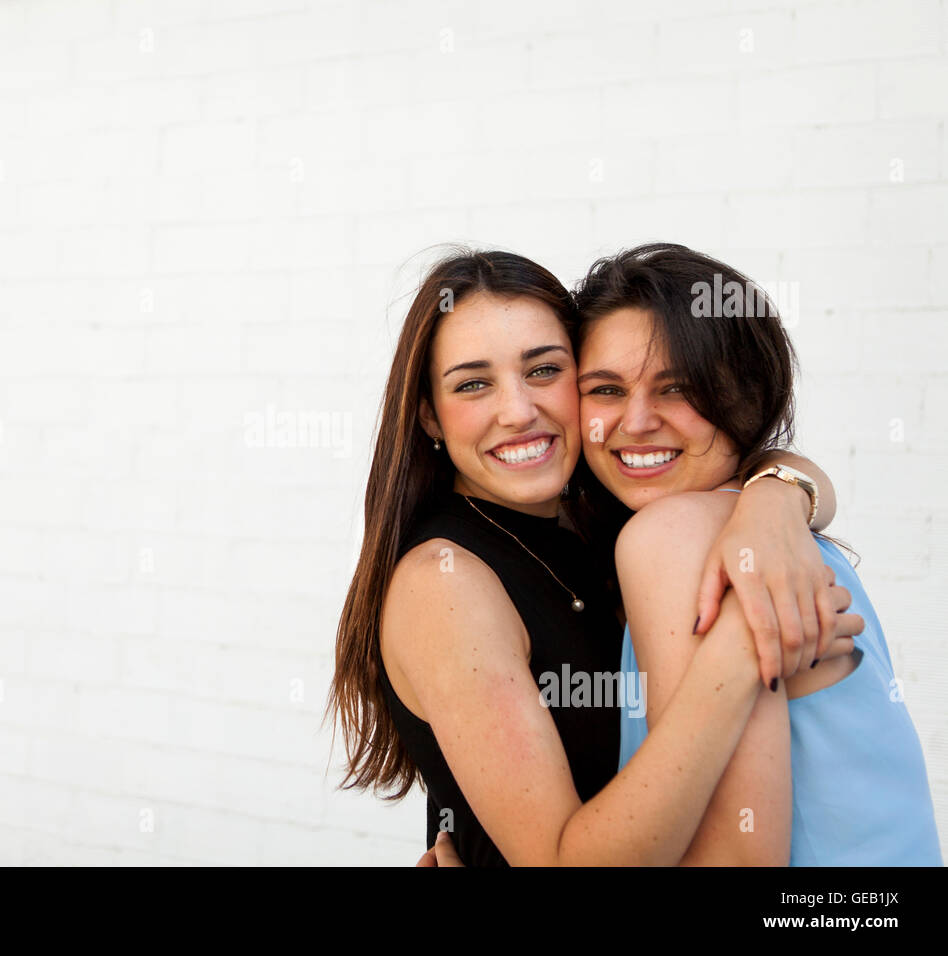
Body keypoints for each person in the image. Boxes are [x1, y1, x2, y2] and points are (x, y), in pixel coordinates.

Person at [325, 248, 861, 866]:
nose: (519, 411)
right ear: (428, 416)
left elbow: (760, 465)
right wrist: (738, 657)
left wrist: (777, 498)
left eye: (544, 370)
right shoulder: (444, 583)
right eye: (473, 384)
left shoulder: (603, 522)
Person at [574, 243, 941, 864]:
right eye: (606, 389)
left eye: (678, 389)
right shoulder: (758, 517)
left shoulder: (676, 535)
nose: (635, 422)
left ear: (747, 399)